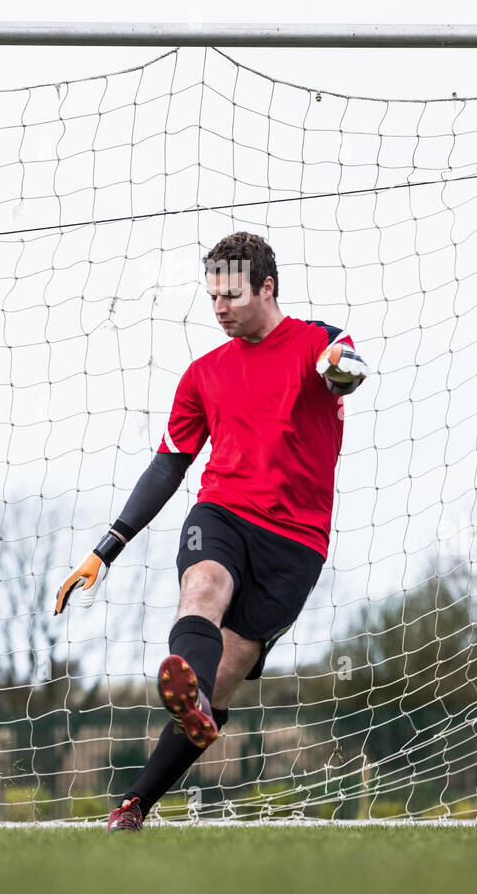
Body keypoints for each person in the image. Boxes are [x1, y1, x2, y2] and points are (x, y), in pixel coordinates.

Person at [55, 231, 368, 831]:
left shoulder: (315, 342)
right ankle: (183, 707)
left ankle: (138, 801)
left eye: (230, 294)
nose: (219, 308)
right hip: (222, 512)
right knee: (201, 586)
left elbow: (345, 365)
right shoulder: (203, 374)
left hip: (297, 544)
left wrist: (342, 371)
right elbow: (171, 462)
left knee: (223, 679)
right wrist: (109, 546)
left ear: (266, 287)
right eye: (212, 296)